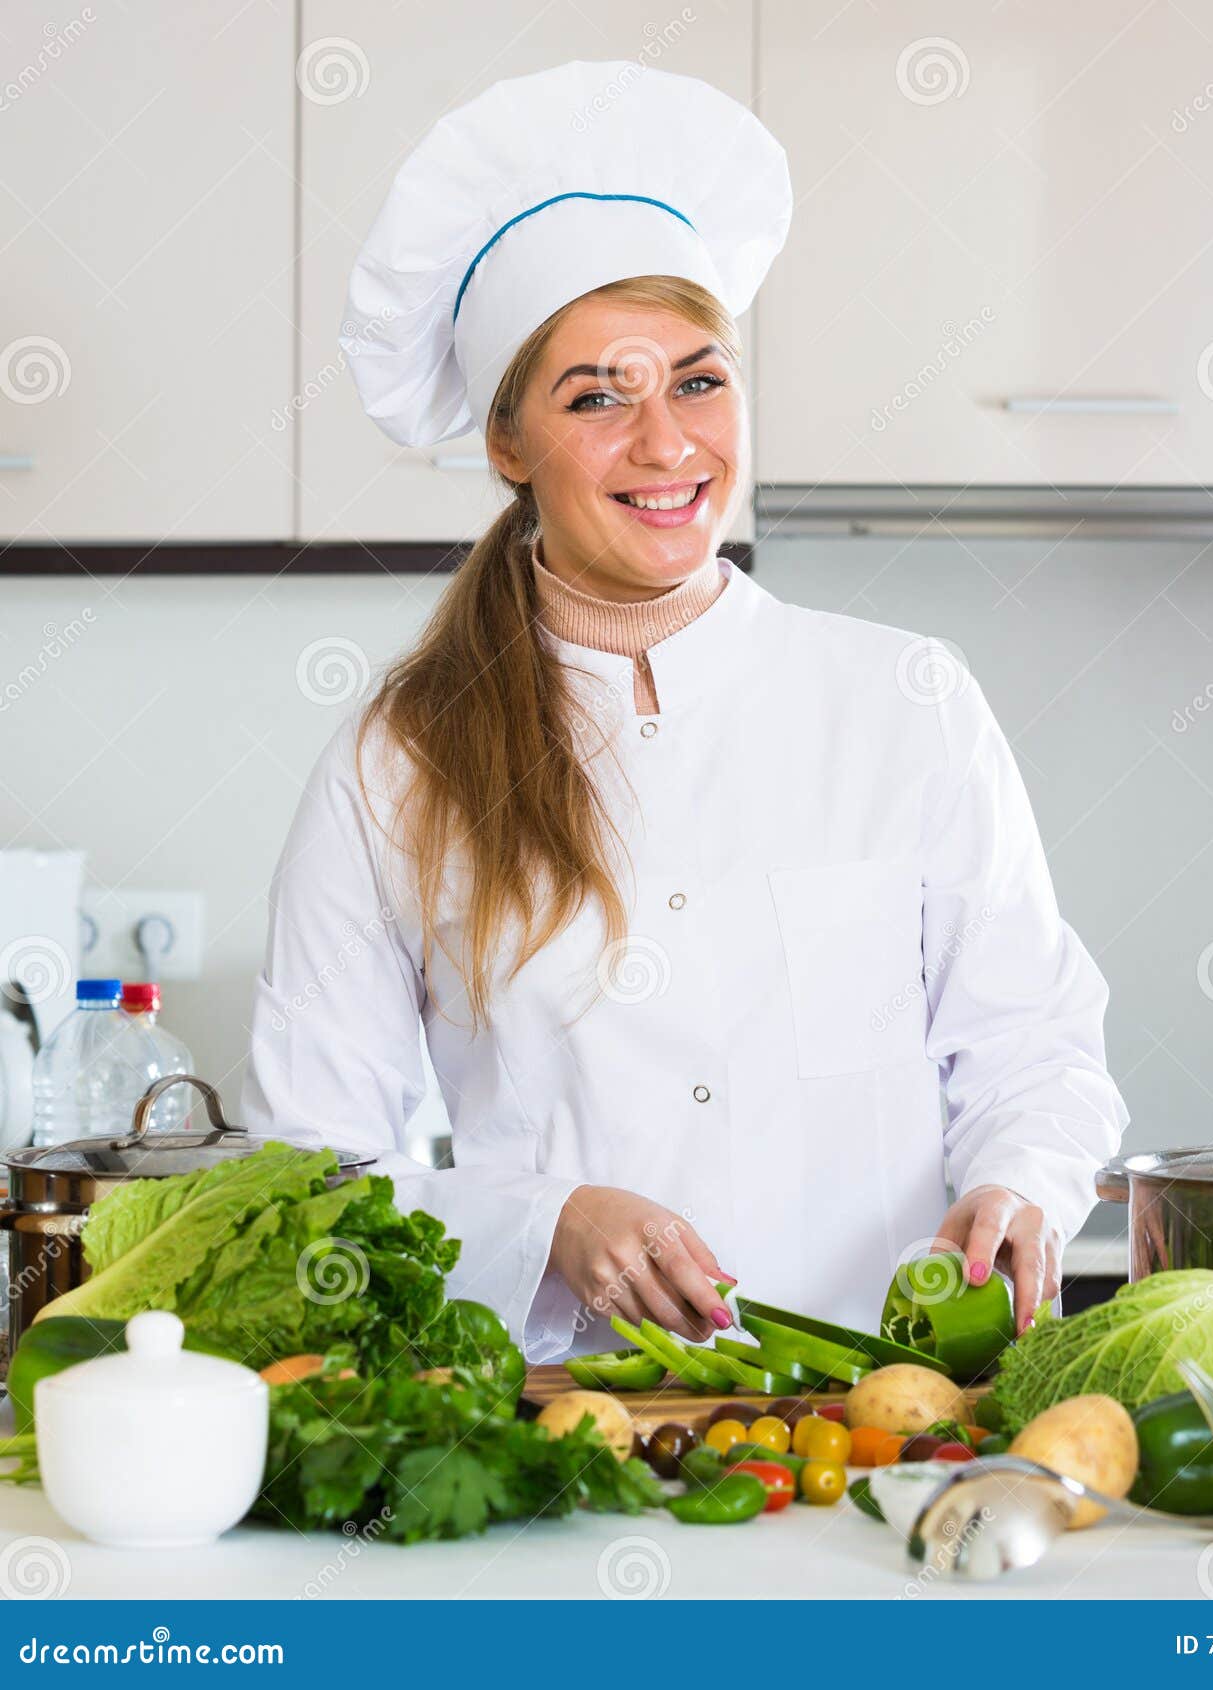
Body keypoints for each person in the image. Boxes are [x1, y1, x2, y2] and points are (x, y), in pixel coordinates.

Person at [242, 59, 1128, 1362]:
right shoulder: (400, 763)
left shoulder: (906, 701)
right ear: (506, 445)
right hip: (567, 1443)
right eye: (597, 395)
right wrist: (541, 1223)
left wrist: (1023, 1181)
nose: (667, 443)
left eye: (698, 381)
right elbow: (307, 1177)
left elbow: (1035, 1050)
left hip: (891, 1429)